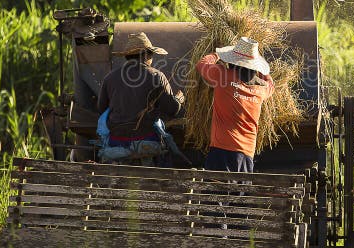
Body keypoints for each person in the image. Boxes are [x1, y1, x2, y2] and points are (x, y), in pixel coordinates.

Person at [97, 32, 183, 164]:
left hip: (116, 141)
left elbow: (101, 108)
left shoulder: (110, 78)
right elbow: (172, 110)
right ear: (147, 56)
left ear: (127, 57)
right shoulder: (156, 76)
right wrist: (178, 100)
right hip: (146, 140)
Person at [195, 36, 275, 172]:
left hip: (221, 152)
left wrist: (217, 55)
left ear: (232, 61)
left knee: (214, 192)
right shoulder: (261, 89)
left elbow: (202, 65)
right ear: (254, 67)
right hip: (246, 156)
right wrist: (260, 69)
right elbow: (271, 84)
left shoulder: (222, 75)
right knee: (239, 193)